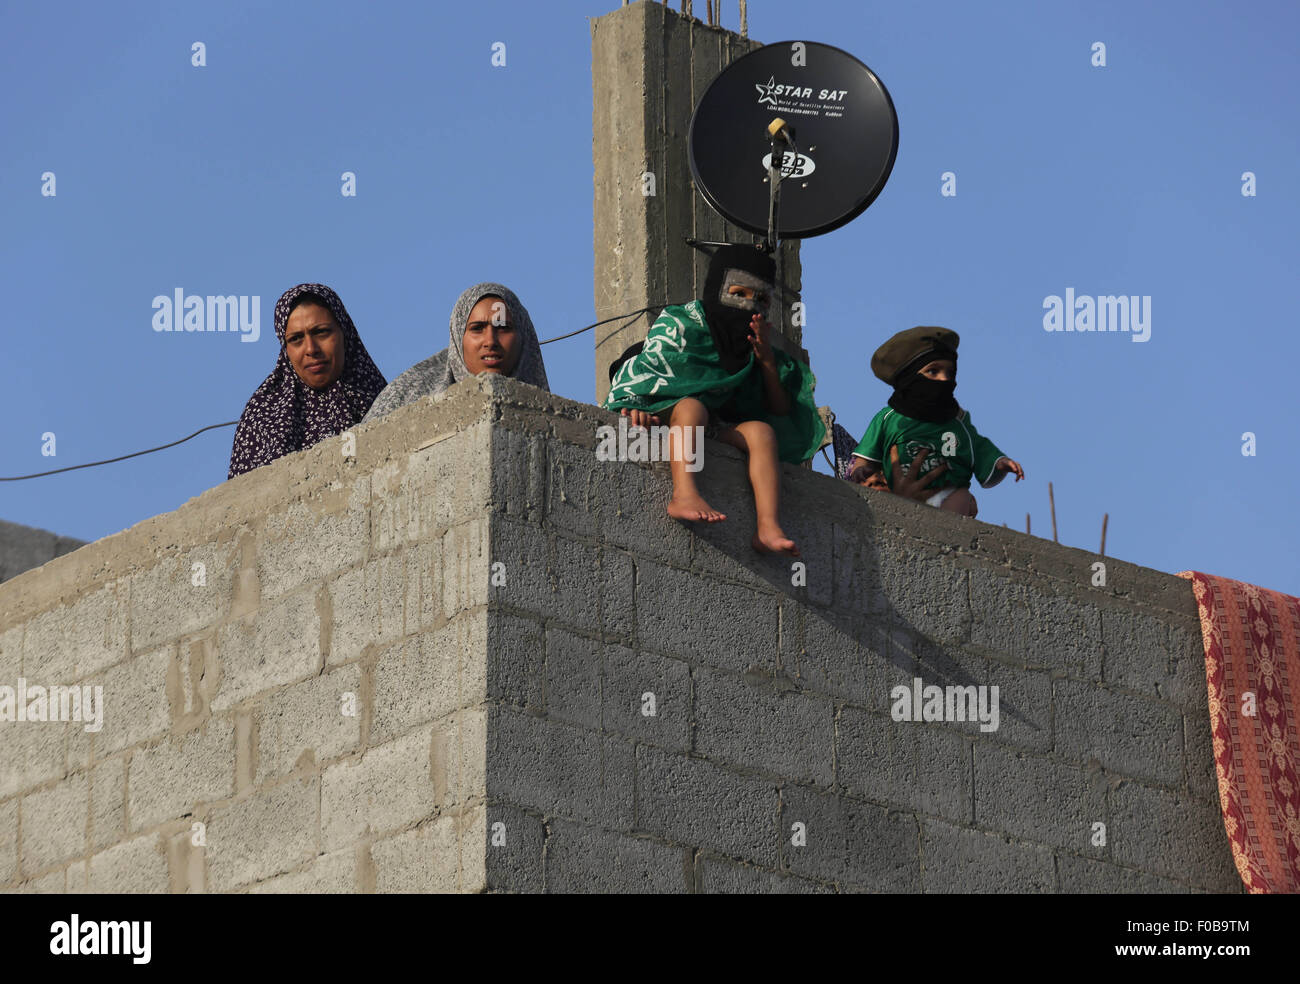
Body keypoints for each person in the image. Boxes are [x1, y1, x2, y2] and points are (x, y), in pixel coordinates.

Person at [603, 244, 824, 557]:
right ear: (717, 288)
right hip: (669, 413)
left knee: (762, 433)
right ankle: (685, 493)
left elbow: (779, 409)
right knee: (692, 406)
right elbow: (644, 374)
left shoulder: (753, 349)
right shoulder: (682, 325)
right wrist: (635, 409)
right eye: (738, 293)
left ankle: (768, 527)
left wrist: (766, 362)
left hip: (714, 424)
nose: (749, 305)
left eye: (761, 299)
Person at [847, 326, 1024, 516]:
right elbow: (866, 456)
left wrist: (1000, 461)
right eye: (933, 371)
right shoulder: (889, 419)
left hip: (950, 491)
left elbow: (979, 447)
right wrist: (860, 470)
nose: (944, 380)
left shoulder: (958, 422)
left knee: (955, 515)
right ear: (909, 379)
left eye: (950, 373)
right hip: (900, 502)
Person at [228, 283, 386, 479]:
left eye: (321, 332)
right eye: (296, 339)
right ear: (285, 350)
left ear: (345, 333)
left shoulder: (382, 401)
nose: (311, 349)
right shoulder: (262, 418)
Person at [363, 282, 549, 422]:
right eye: (477, 328)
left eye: (503, 328)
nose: (490, 341)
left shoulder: (551, 419)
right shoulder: (407, 395)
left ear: (523, 337)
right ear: (458, 337)